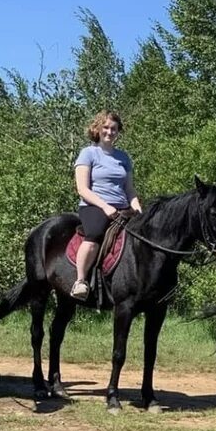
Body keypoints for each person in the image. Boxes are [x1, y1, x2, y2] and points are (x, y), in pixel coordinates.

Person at [70, 110, 142, 300]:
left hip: (122, 206)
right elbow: (82, 189)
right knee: (94, 235)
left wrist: (137, 208)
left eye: (114, 129)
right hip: (94, 206)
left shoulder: (123, 157)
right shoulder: (88, 153)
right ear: (97, 129)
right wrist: (104, 206)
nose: (110, 132)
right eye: (106, 127)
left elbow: (129, 189)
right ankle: (81, 281)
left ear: (118, 132)